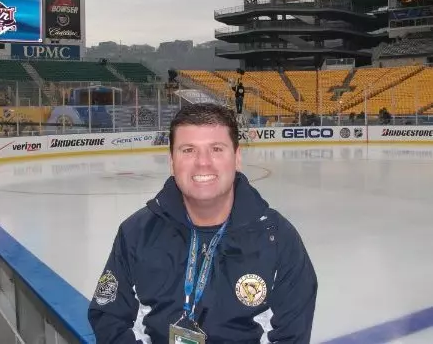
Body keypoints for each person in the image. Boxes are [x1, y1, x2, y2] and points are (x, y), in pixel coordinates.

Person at [88, 103, 317, 343]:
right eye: (188, 150)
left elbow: (291, 336)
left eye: (216, 149)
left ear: (237, 158)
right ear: (171, 161)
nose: (203, 163)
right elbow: (109, 319)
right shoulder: (136, 232)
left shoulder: (278, 238)